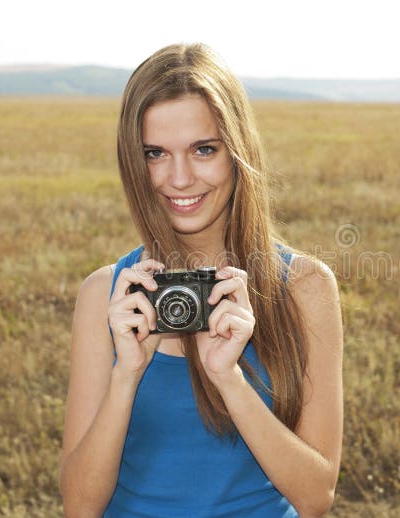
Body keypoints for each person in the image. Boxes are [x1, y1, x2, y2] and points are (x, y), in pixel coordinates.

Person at [58, 42, 344, 517]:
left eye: (203, 149)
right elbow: (80, 507)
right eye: (155, 153)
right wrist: (126, 375)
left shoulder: (304, 287)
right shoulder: (105, 294)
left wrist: (229, 379)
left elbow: (316, 498)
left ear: (237, 150)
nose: (180, 178)